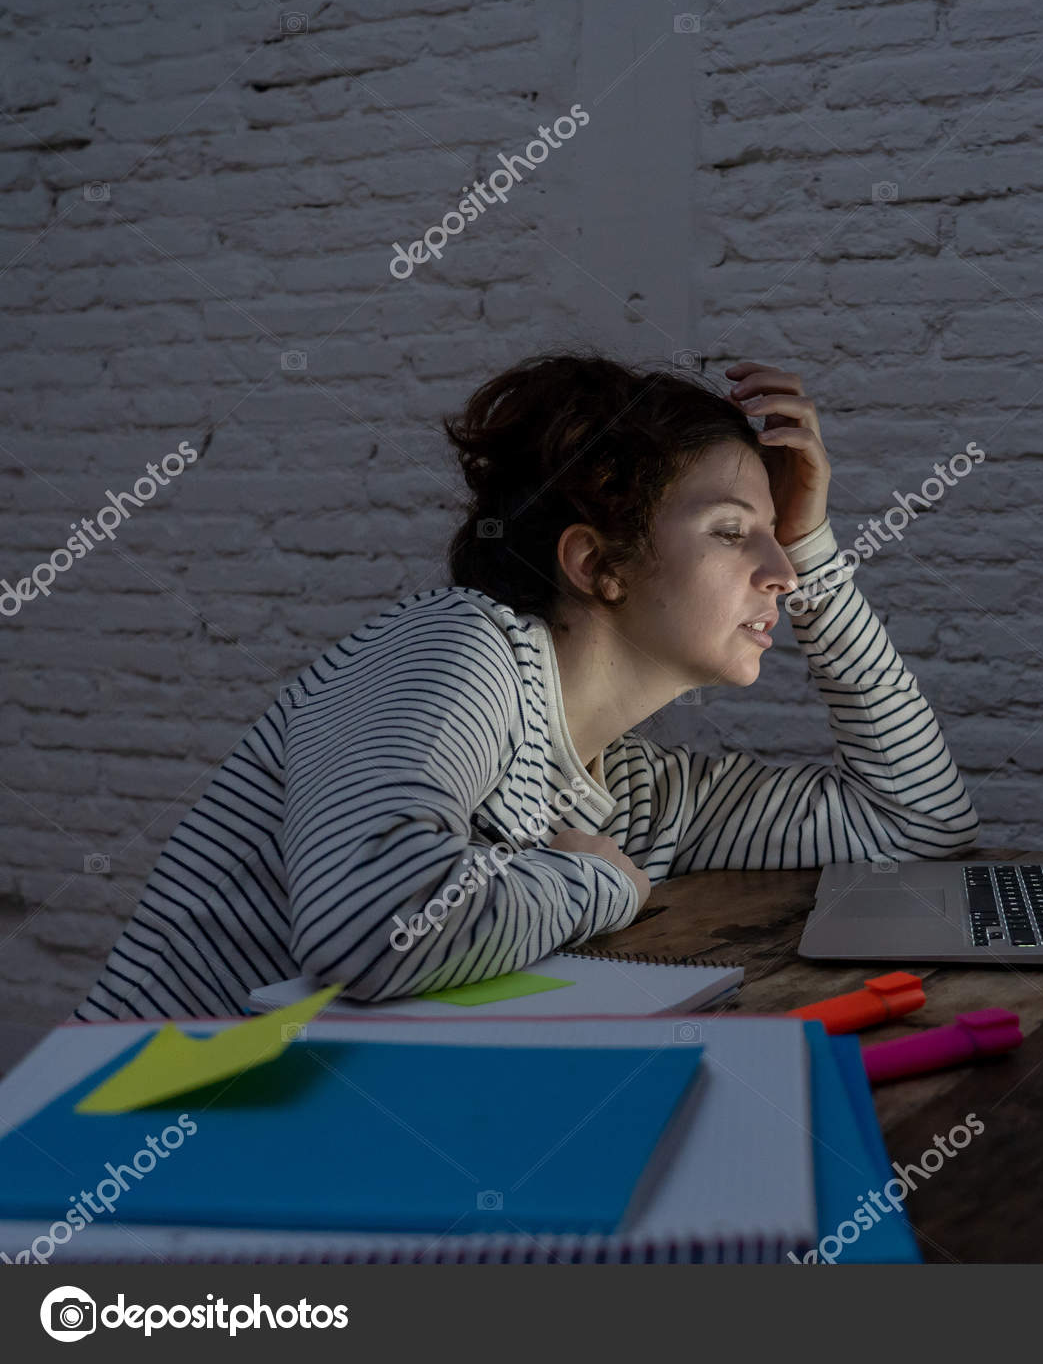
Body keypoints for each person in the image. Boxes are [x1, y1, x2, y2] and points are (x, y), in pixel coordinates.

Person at [72, 350, 980, 1020]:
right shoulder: (456, 645)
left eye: (780, 536)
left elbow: (917, 819)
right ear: (598, 564)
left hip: (299, 1163)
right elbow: (373, 928)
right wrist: (599, 884)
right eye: (733, 530)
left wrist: (817, 550)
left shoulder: (634, 790)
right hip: (115, 1182)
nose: (779, 568)